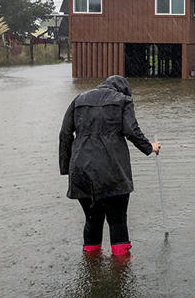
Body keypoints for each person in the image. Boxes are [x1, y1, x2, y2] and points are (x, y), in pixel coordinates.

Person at [59, 75, 161, 256]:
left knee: (92, 220)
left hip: (81, 172)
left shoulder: (79, 100)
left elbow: (65, 134)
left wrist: (66, 168)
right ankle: (121, 267)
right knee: (117, 220)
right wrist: (149, 148)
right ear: (124, 90)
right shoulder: (123, 100)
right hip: (112, 171)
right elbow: (131, 131)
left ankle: (91, 261)